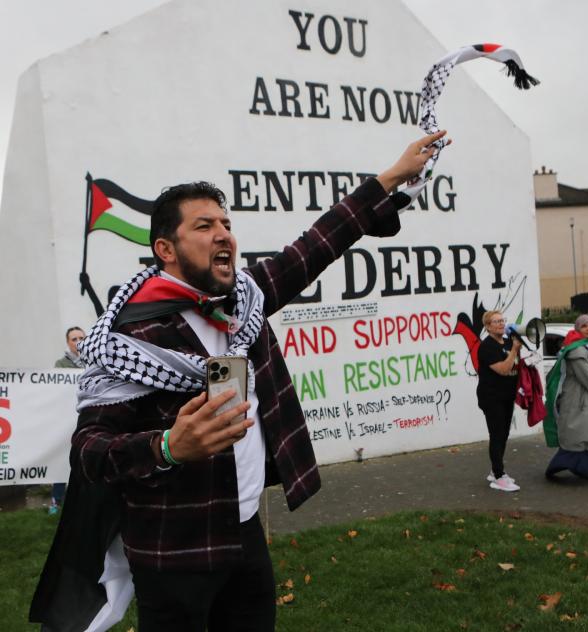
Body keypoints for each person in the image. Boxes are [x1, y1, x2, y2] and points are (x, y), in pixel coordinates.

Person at [31, 130, 449, 632]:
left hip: (245, 529)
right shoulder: (132, 336)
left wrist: (390, 178)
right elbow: (89, 450)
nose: (224, 234)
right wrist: (166, 447)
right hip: (171, 549)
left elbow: (316, 245)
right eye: (204, 225)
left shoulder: (244, 302)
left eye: (226, 224)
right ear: (165, 248)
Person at [545, 315, 588, 481]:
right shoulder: (576, 351)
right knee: (580, 438)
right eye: (584, 326)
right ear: (578, 329)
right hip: (579, 400)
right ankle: (557, 468)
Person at [476, 310, 521, 492]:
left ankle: (496, 471)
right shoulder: (487, 347)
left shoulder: (509, 342)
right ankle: (499, 476)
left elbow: (517, 365)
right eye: (495, 322)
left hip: (507, 396)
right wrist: (514, 350)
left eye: (502, 321)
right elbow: (503, 369)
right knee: (496, 434)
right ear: (487, 327)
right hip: (491, 397)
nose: (500, 324)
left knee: (503, 434)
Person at [49, 327, 86, 515]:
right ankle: (56, 501)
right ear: (68, 342)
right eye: (74, 338)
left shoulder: (94, 360)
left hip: (87, 418)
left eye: (81, 337)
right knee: (62, 460)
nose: (78, 341)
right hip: (66, 419)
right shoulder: (61, 364)